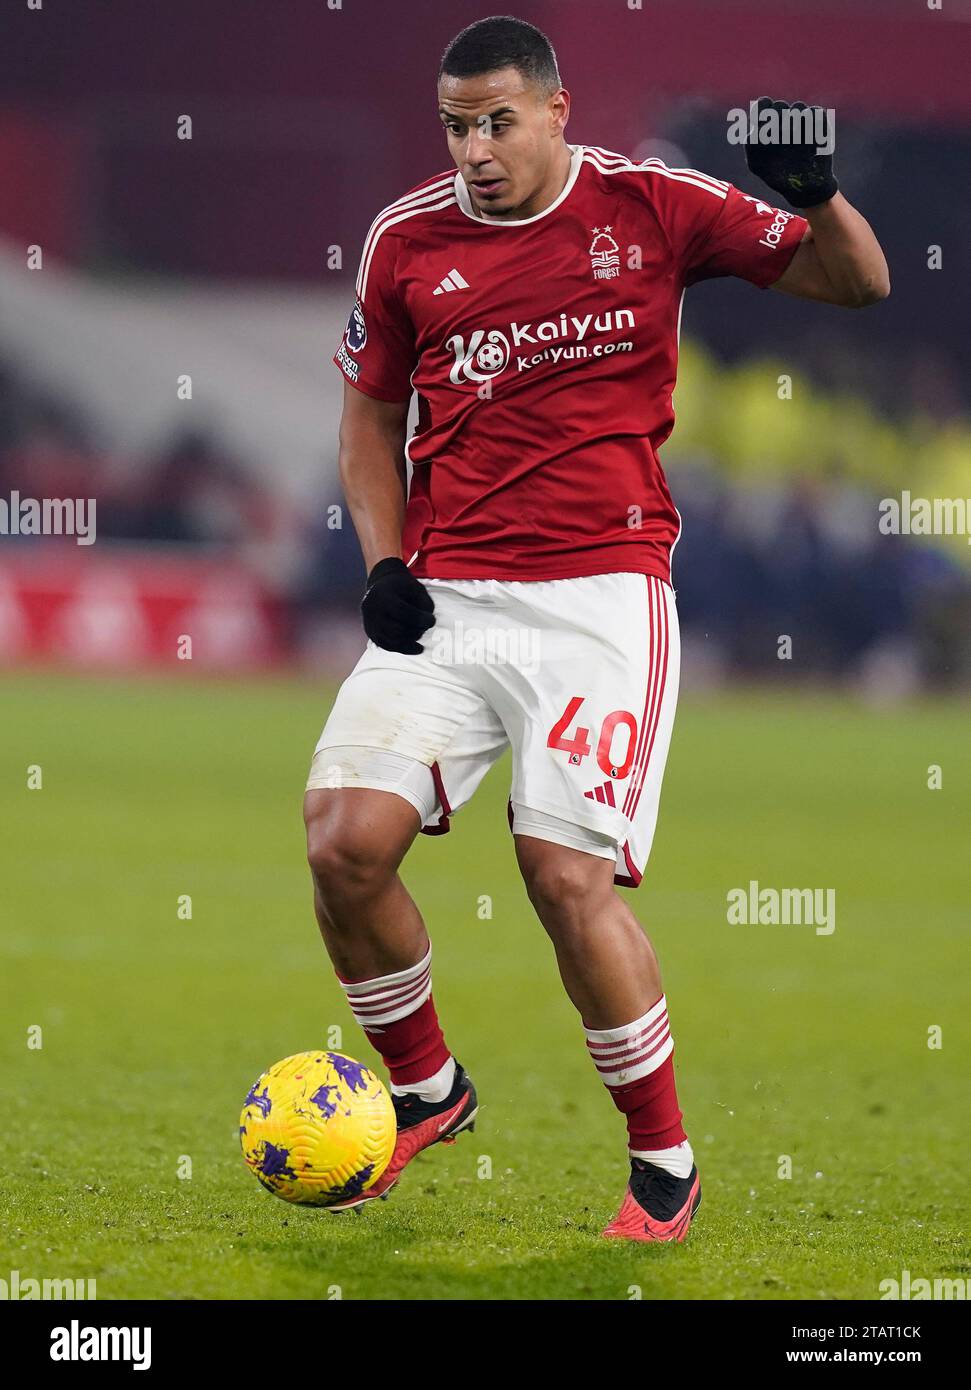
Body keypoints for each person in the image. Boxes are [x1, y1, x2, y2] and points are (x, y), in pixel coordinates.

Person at [304, 15, 889, 1241]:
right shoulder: (405, 241)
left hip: (599, 594)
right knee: (341, 844)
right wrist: (380, 563)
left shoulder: (653, 205)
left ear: (558, 110)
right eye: (456, 124)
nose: (474, 147)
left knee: (560, 875)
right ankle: (426, 1090)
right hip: (450, 592)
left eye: (498, 121)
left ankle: (661, 1161)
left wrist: (819, 201)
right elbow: (368, 414)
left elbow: (859, 281)